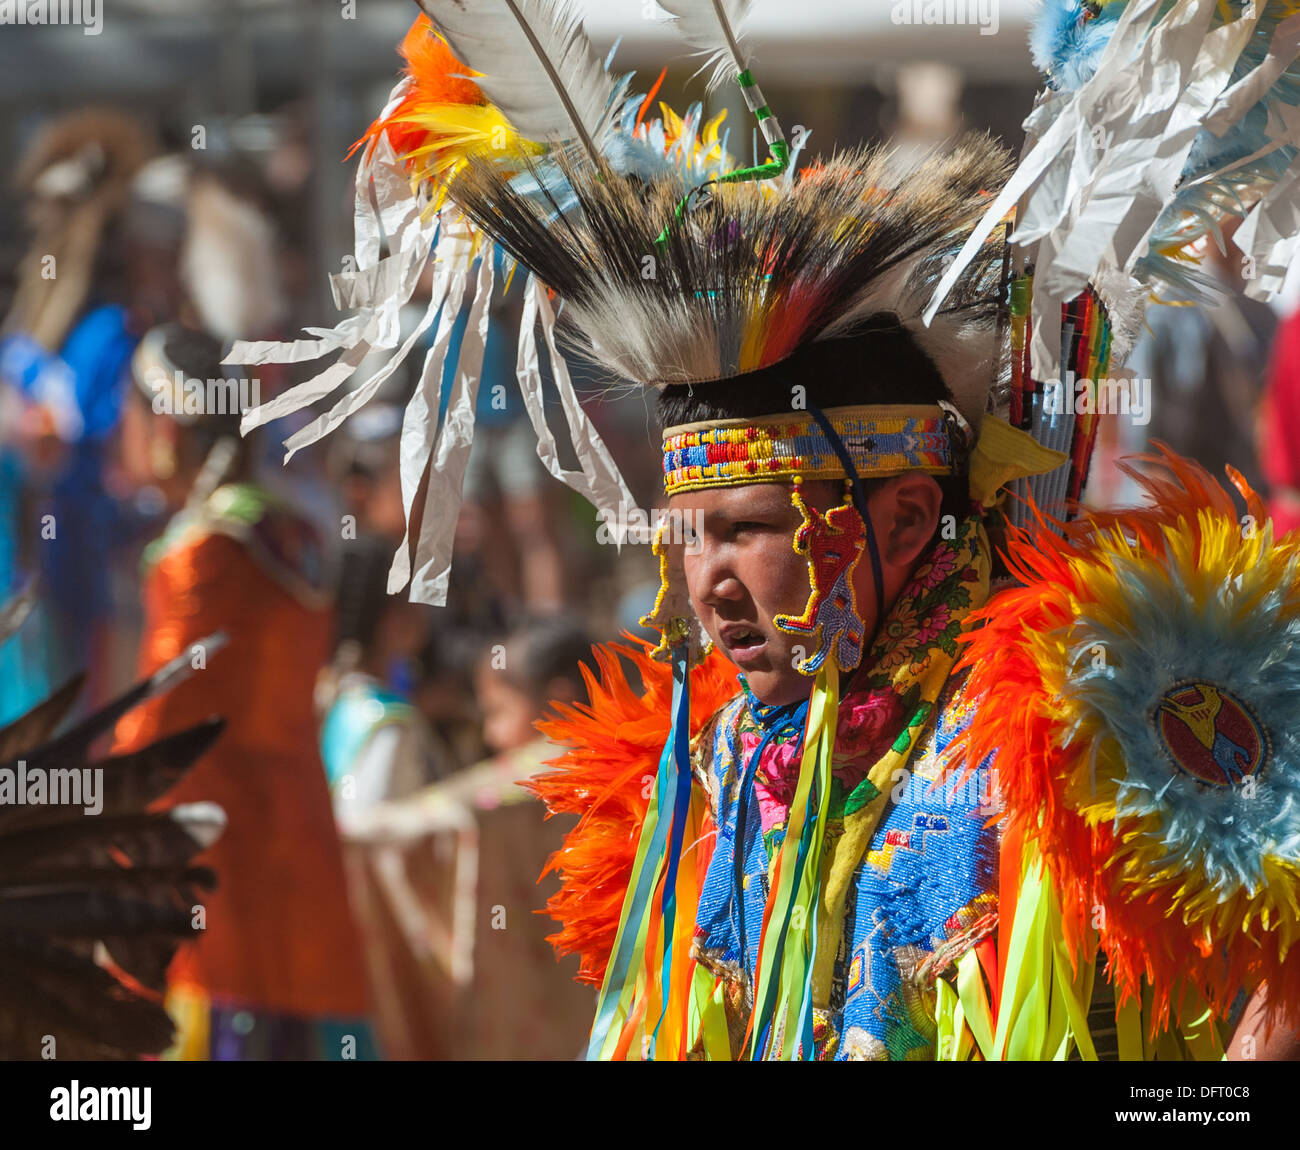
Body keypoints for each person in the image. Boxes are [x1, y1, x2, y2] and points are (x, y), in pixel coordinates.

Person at [232, 5, 1300, 1060]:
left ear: (909, 515)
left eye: (744, 529)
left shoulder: (1080, 712)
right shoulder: (705, 767)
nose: (707, 584)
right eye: (685, 537)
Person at [110, 323, 375, 1060]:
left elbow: (161, 721)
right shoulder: (292, 529)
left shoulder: (204, 550)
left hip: (210, 856)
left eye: (127, 414)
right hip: (296, 823)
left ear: (163, 425)